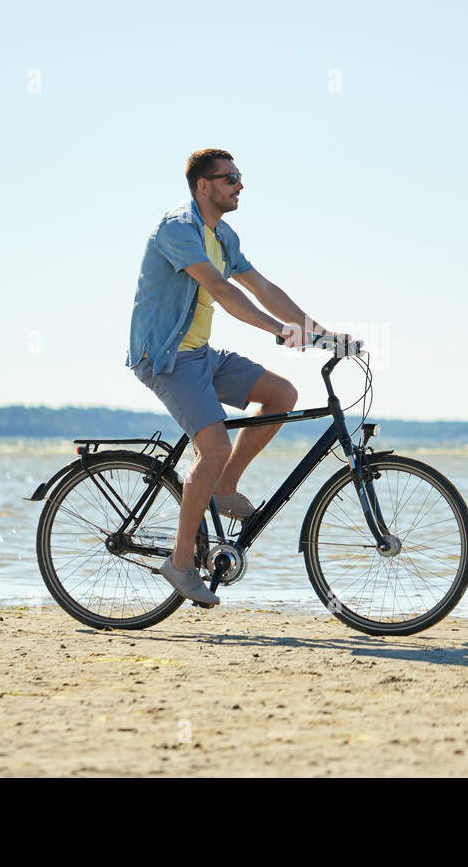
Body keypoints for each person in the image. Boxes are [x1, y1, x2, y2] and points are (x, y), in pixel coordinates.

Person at [126, 148, 348, 607]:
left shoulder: (222, 235)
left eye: (239, 176)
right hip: (166, 358)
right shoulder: (178, 229)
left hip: (201, 355)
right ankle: (181, 562)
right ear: (203, 186)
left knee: (281, 394)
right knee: (214, 447)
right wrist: (274, 329)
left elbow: (261, 287)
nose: (239, 185)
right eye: (229, 178)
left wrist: (321, 333)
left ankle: (223, 488)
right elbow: (221, 290)